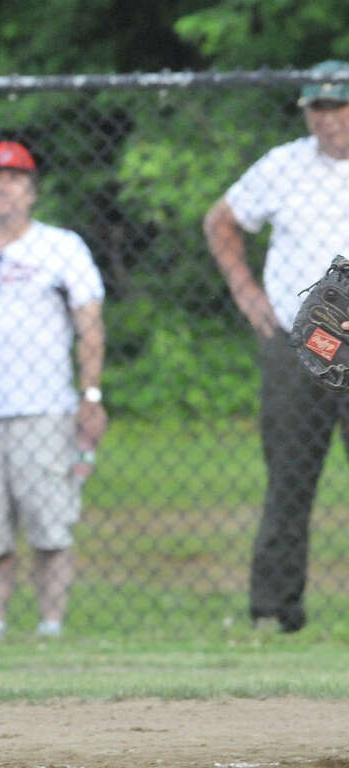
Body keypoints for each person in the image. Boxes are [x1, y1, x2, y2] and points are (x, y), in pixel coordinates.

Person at [0, 141, 107, 641]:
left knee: (50, 527)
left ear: (31, 191)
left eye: (15, 179)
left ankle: (50, 626)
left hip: (45, 409)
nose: (5, 187)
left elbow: (90, 322)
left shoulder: (61, 247)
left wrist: (91, 394)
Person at [203, 61, 349, 634]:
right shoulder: (283, 166)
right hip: (302, 342)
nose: (327, 118)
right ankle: (274, 610)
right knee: (289, 479)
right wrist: (246, 293)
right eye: (317, 107)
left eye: (337, 106)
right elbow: (221, 221)